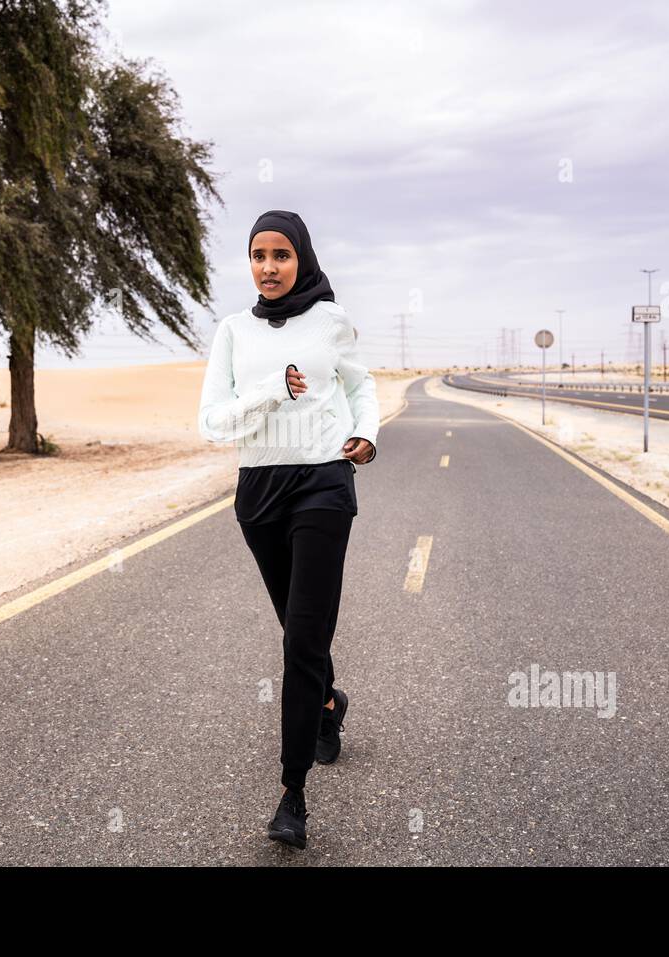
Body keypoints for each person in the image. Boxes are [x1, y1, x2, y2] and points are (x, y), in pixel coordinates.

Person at [197, 209, 379, 849]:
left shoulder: (331, 322)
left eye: (281, 255)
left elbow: (361, 387)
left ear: (302, 257)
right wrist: (272, 390)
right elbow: (213, 423)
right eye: (257, 256)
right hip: (260, 491)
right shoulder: (232, 332)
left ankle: (292, 794)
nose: (269, 267)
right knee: (294, 625)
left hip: (324, 483)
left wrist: (366, 434)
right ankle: (327, 702)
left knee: (302, 637)